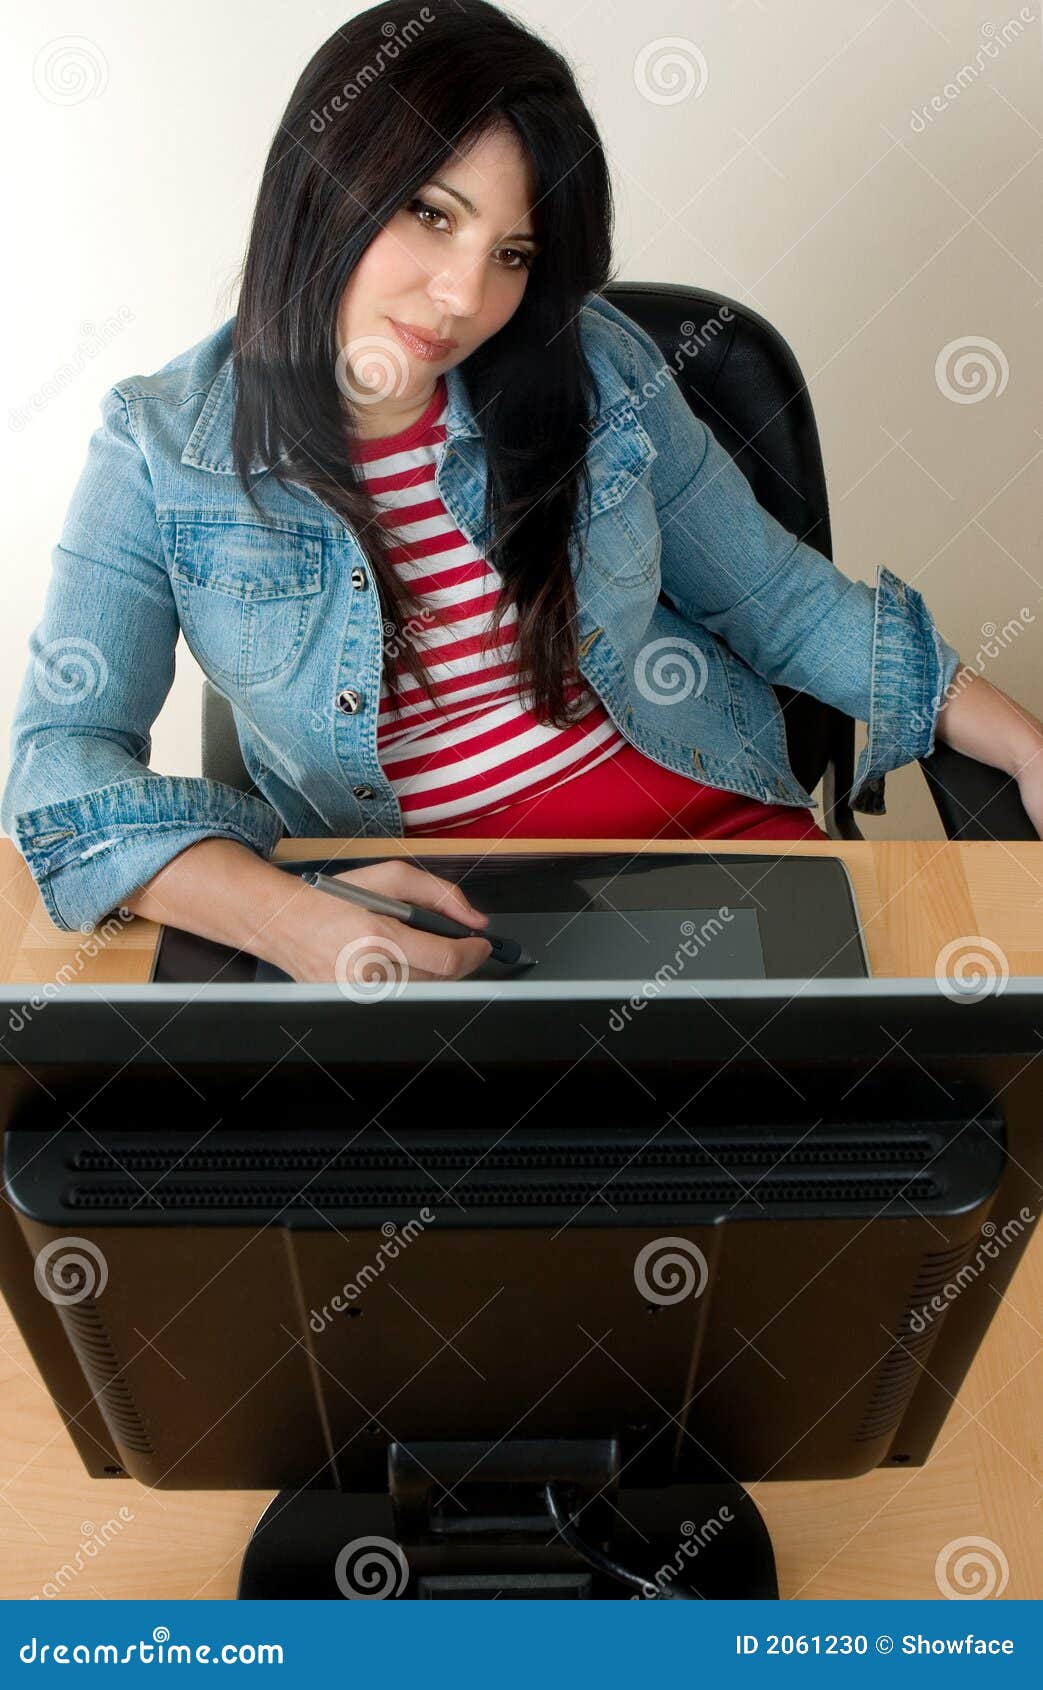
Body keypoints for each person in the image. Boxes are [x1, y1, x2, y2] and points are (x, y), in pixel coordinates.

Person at [3, 0, 1041, 985]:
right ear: (323, 183)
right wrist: (287, 911)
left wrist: (1022, 745)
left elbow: (777, 601)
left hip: (718, 865)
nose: (465, 297)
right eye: (430, 214)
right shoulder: (159, 447)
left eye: (512, 254)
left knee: (877, 1139)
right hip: (436, 917)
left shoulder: (595, 371)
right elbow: (58, 763)